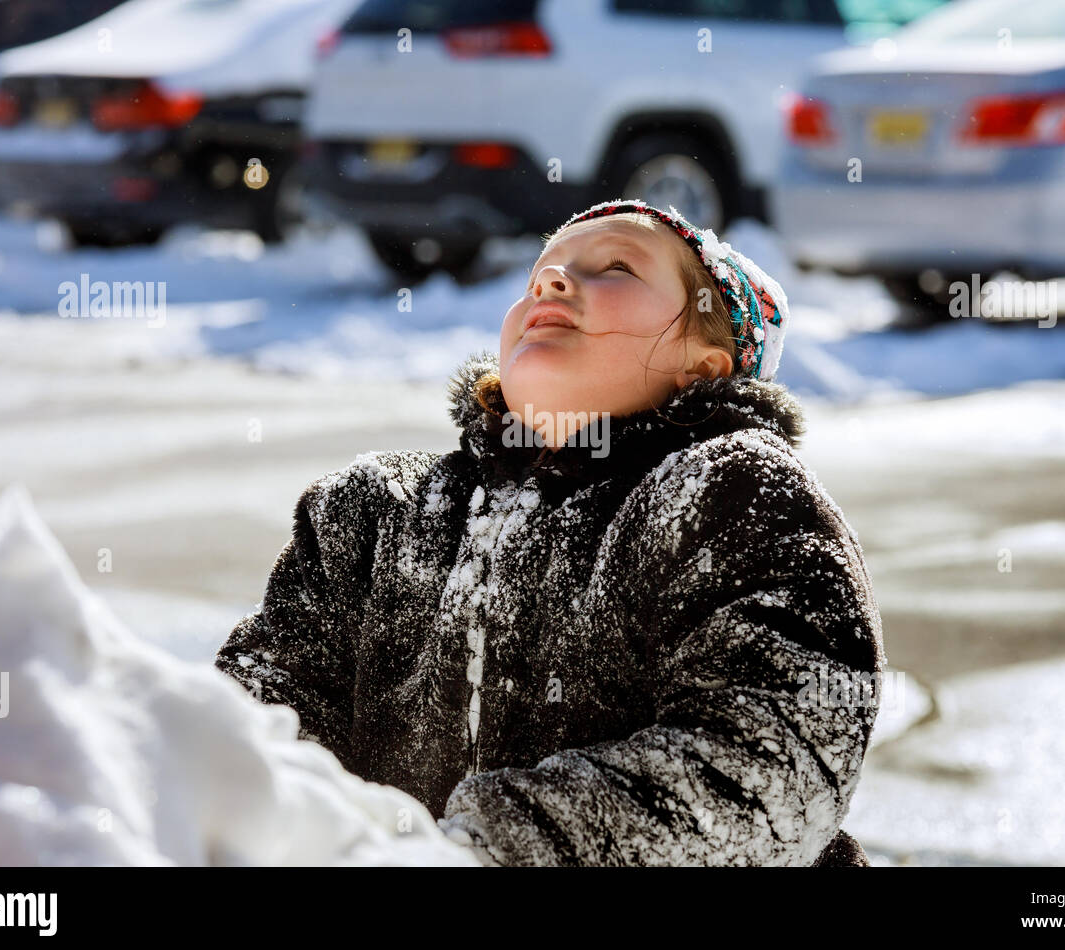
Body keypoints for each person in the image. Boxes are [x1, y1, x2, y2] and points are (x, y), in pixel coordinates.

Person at [214, 199, 885, 866]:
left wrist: (485, 852)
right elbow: (250, 737)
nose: (552, 280)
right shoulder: (370, 510)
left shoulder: (732, 492)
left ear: (704, 366)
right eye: (544, 269)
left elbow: (769, 766)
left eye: (617, 266)